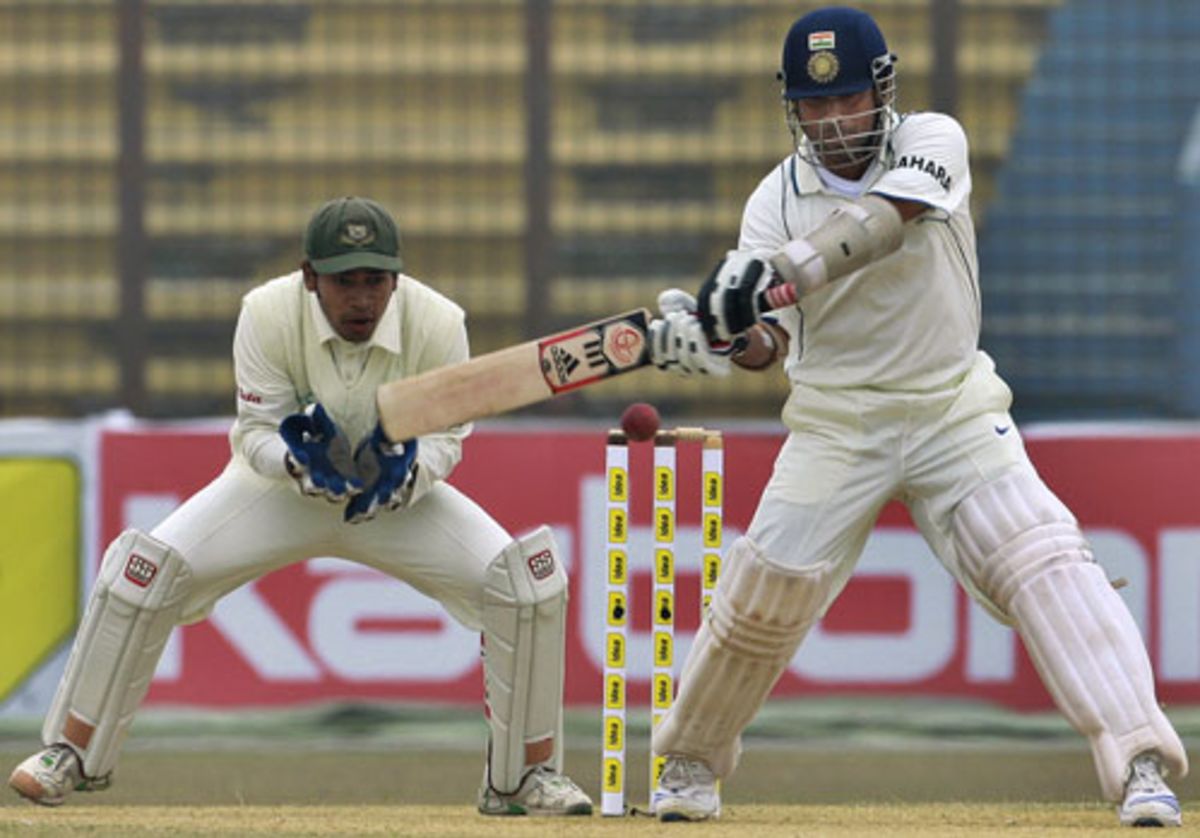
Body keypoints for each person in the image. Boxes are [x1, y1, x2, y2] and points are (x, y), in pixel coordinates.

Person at [646, 6, 1186, 828]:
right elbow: (768, 346)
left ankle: (1142, 760)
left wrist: (768, 276)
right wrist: (724, 334)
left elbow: (881, 226)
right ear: (793, 108)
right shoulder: (773, 200)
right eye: (815, 107)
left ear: (882, 91)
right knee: (763, 593)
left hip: (950, 409)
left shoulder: (931, 142)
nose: (833, 122)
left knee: (1043, 558)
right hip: (837, 423)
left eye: (849, 100)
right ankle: (689, 764)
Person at [7, 196, 593, 817]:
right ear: (310, 277)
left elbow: (448, 437)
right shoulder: (265, 312)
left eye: (376, 282)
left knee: (526, 585)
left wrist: (405, 475)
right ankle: (69, 752)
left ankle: (524, 777)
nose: (362, 300)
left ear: (396, 278)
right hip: (277, 497)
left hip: (391, 506)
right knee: (141, 574)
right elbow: (257, 429)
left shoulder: (439, 322)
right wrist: (296, 462)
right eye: (345, 282)